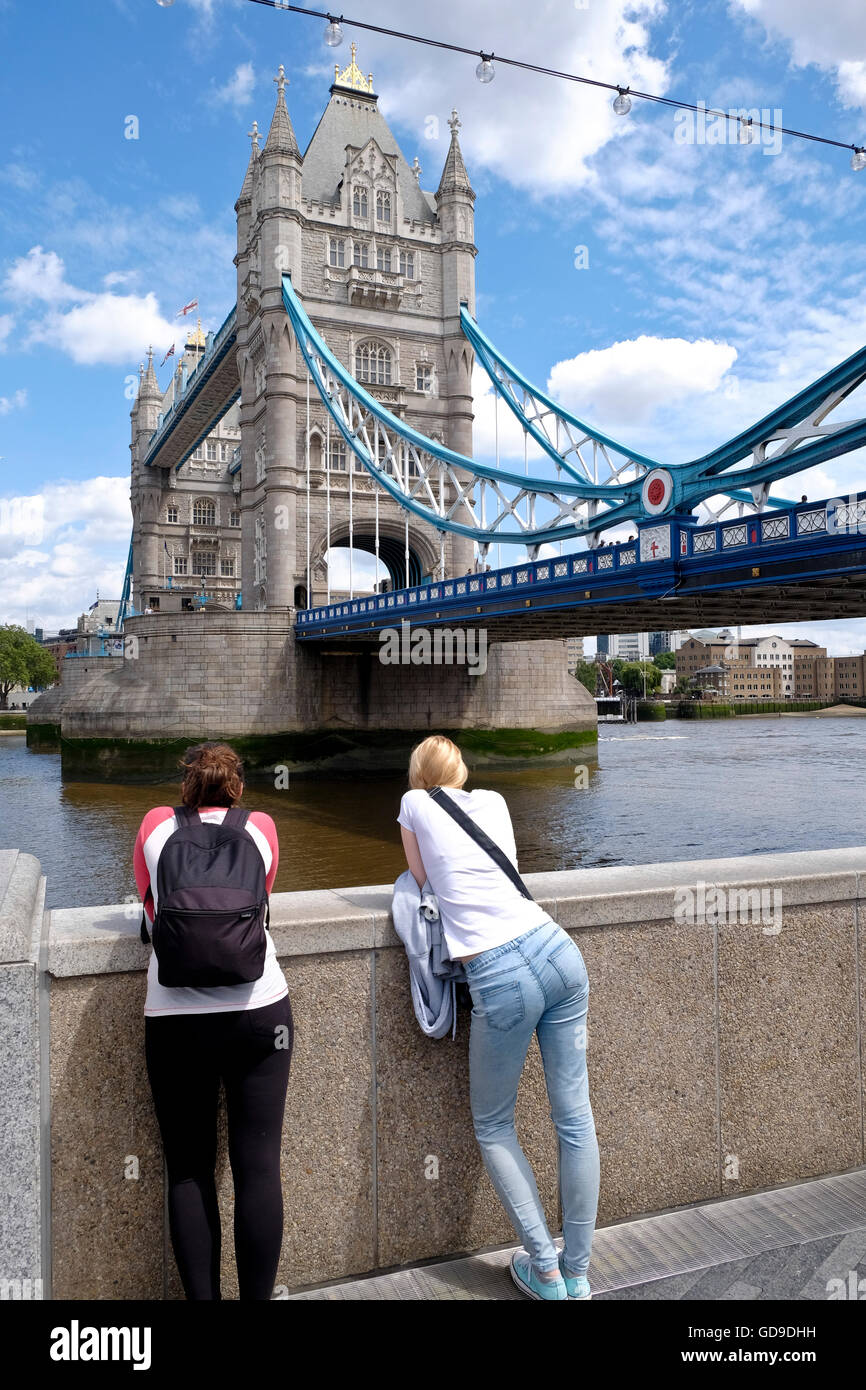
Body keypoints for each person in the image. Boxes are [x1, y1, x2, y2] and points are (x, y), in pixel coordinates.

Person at [398, 735, 599, 1301]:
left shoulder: (414, 804)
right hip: (558, 951)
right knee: (575, 1120)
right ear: (461, 770)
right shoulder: (495, 802)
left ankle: (545, 1269)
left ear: (420, 776)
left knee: (493, 1124)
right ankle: (578, 1271)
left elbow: (420, 880)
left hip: (498, 973)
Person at [133, 742, 293, 1300]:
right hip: (260, 1013)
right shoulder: (262, 827)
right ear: (238, 786)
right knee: (258, 1168)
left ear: (185, 786)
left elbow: (149, 908)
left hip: (175, 1020)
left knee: (188, 1170)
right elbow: (263, 897)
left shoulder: (155, 826)